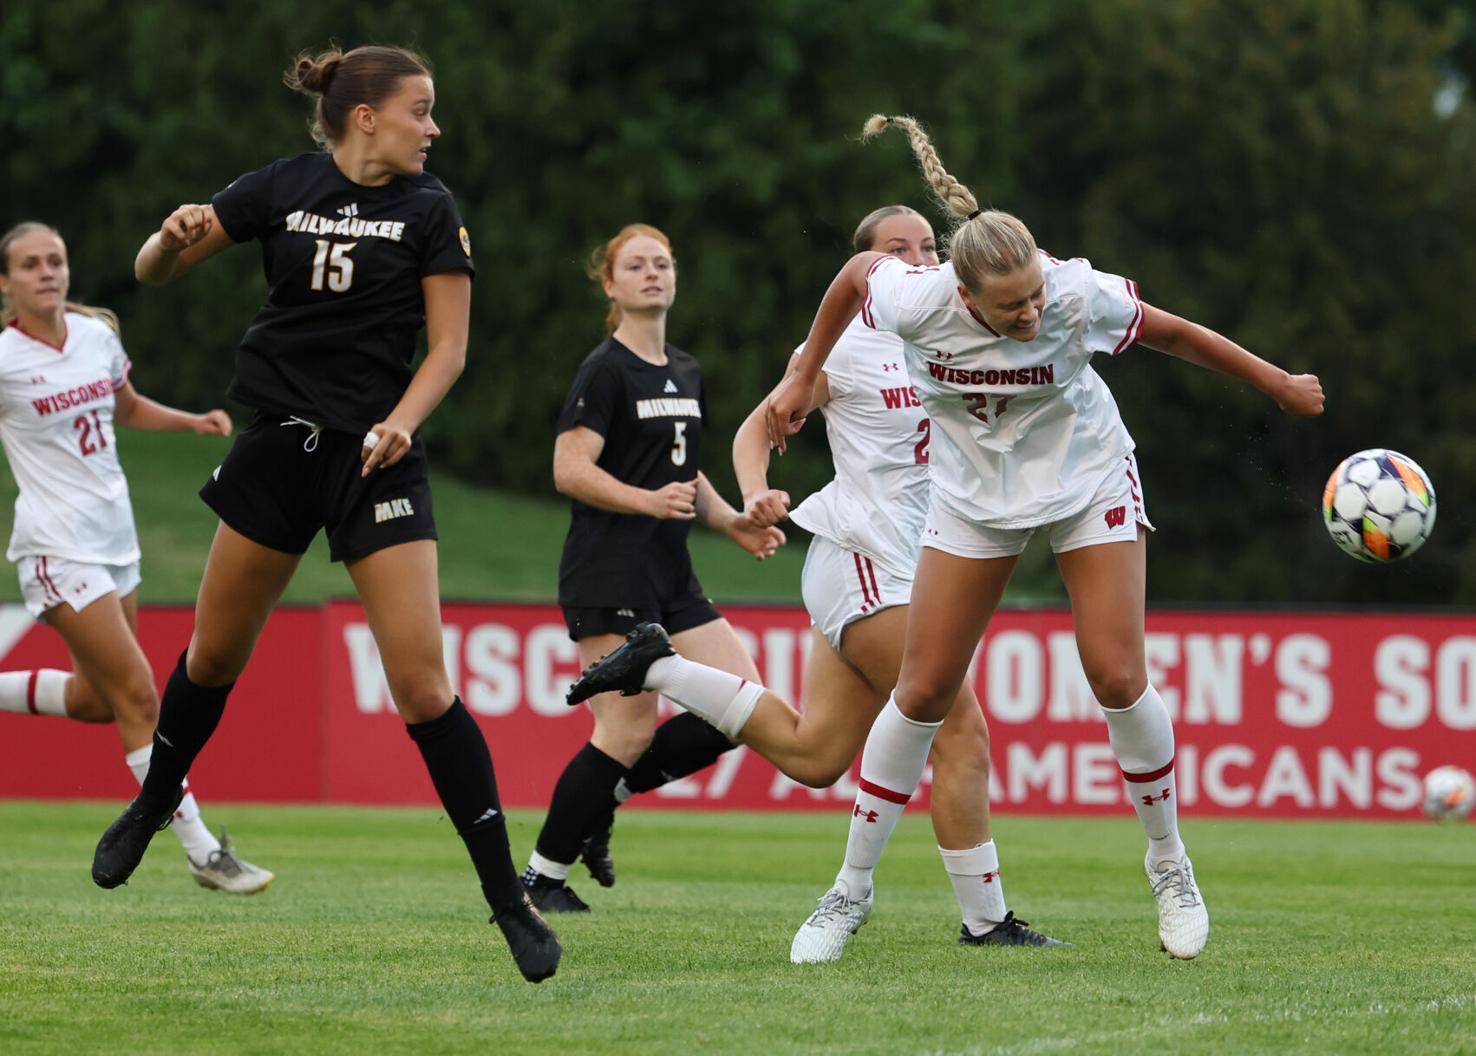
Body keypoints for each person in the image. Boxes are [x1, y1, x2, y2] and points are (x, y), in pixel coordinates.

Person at [603, 115, 1325, 961]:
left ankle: (1169, 864)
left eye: (1035, 295)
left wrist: (1276, 382)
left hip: (1086, 479)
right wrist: (802, 375)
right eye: (1012, 304)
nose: (1032, 311)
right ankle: (848, 892)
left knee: (1117, 674)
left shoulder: (1075, 293)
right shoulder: (919, 302)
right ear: (966, 296)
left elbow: (1172, 333)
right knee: (923, 693)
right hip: (976, 499)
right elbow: (852, 275)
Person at [86, 45, 559, 983]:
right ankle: (153, 803)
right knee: (213, 657)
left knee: (424, 689)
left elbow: (450, 350)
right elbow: (152, 272)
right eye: (421, 110)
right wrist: (168, 237)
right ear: (365, 116)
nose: (434, 128)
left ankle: (509, 900)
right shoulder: (281, 185)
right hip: (278, 447)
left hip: (377, 457)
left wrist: (401, 421)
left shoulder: (431, 208)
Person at [567, 206, 1064, 960]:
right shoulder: (852, 343)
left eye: (927, 246)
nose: (917, 259)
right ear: (867, 271)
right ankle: (985, 919)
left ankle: (658, 665)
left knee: (815, 755)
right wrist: (754, 493)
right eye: (896, 249)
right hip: (861, 558)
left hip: (911, 567)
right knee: (960, 728)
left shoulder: (963, 334)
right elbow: (757, 426)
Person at [0, 221, 272, 895]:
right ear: (6, 283)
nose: (46, 272)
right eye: (30, 264)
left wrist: (190, 422)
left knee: (99, 700)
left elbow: (124, 408)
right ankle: (206, 854)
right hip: (55, 546)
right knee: (141, 695)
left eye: (55, 260)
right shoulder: (4, 358)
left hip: (115, 541)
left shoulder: (96, 337)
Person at [522, 223, 785, 914]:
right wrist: (645, 501)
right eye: (635, 265)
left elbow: (683, 473)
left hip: (671, 574)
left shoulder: (684, 369)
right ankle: (541, 880)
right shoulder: (605, 369)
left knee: (741, 707)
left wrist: (730, 522)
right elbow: (568, 468)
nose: (651, 274)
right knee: (626, 730)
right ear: (609, 284)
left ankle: (603, 800)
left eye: (662, 264)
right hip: (608, 571)